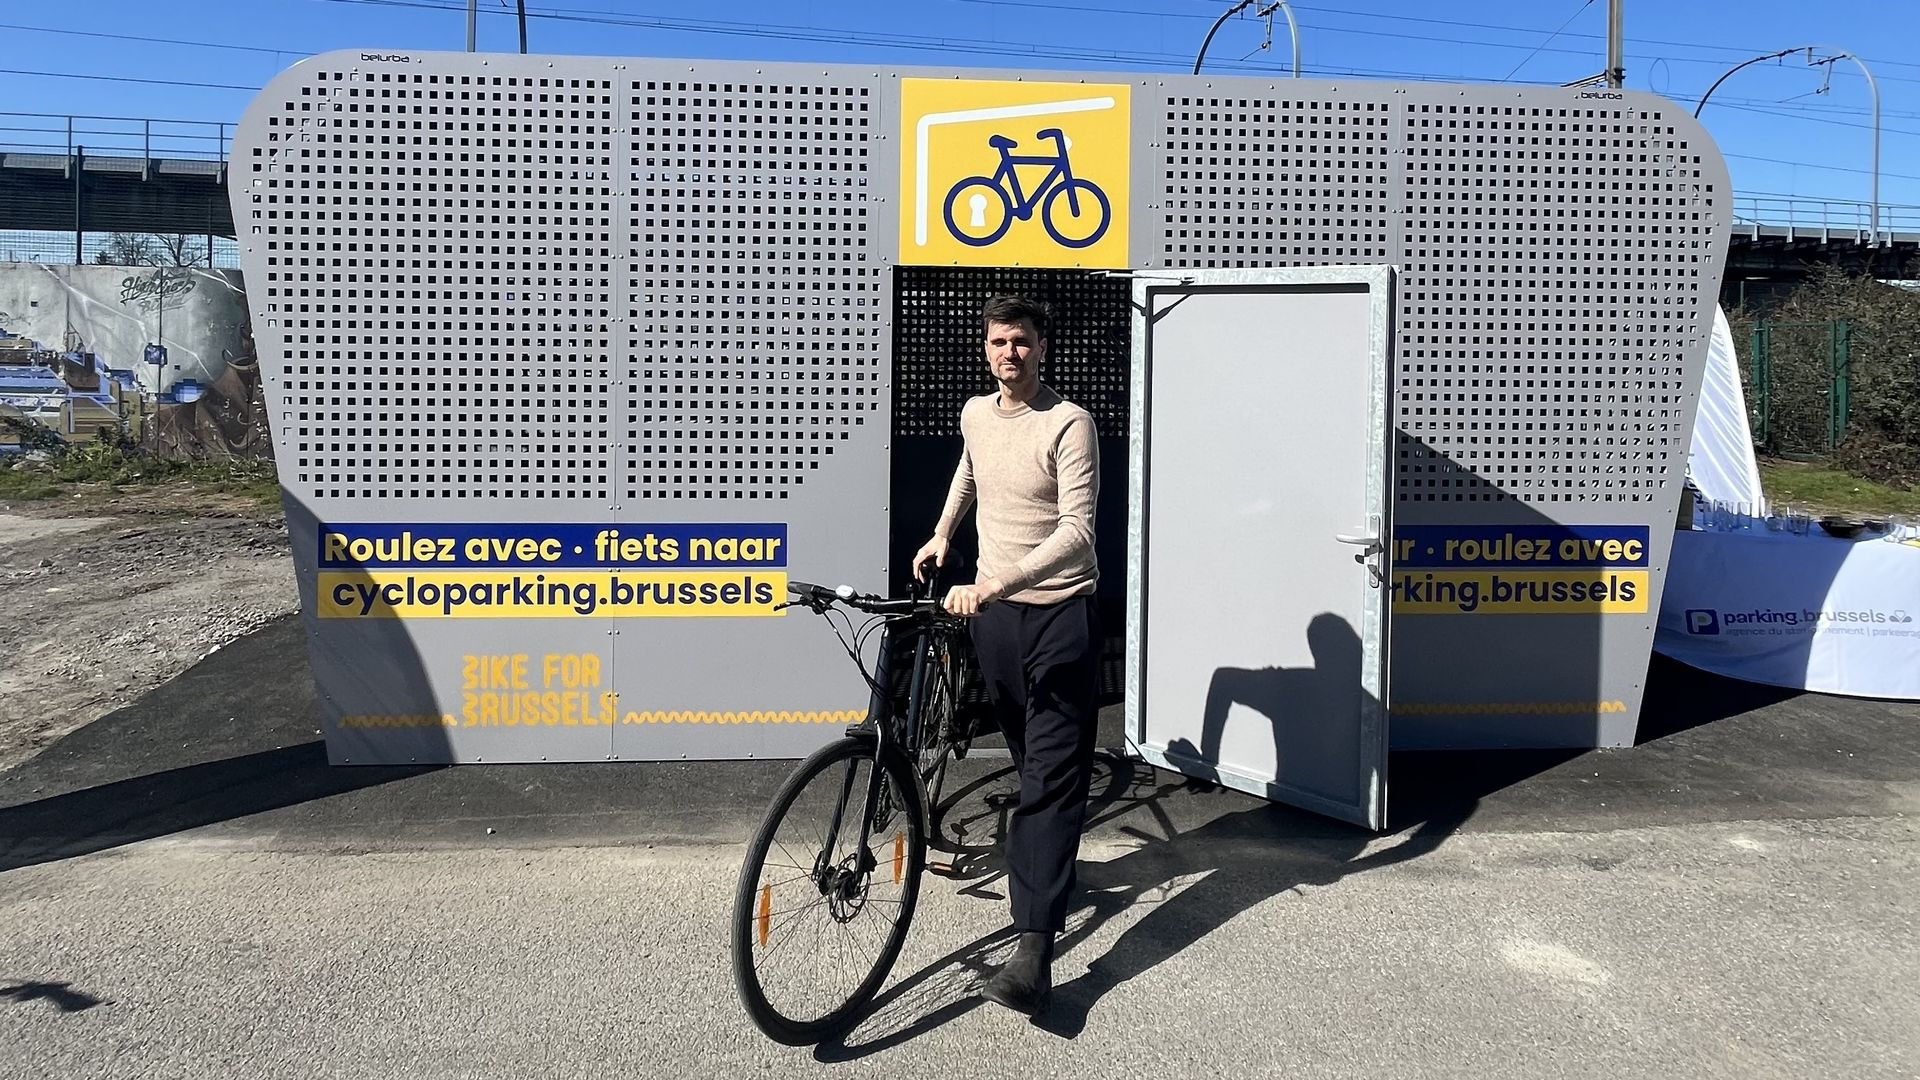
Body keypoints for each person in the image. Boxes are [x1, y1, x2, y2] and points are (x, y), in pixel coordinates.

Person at [912, 294, 1102, 1016]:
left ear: (1042, 347)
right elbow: (970, 470)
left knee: (1050, 781)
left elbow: (1078, 530)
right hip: (994, 625)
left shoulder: (1068, 423)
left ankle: (1033, 949)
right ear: (986, 349)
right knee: (1029, 763)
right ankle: (1054, 865)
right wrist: (941, 533)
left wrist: (1000, 579)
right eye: (998, 343)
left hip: (1056, 619)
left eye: (1021, 342)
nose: (1008, 355)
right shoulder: (975, 412)